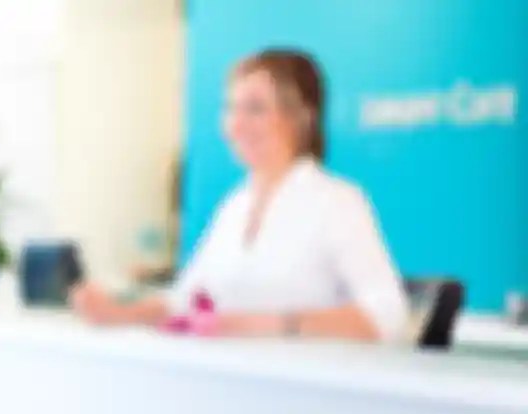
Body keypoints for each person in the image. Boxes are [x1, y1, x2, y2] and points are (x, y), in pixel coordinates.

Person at [72, 50, 410, 343]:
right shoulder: (235, 205)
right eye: (231, 108)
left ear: (302, 118)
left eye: (255, 109)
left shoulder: (336, 202)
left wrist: (262, 324)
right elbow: (184, 300)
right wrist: (117, 313)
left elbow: (388, 315)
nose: (236, 124)